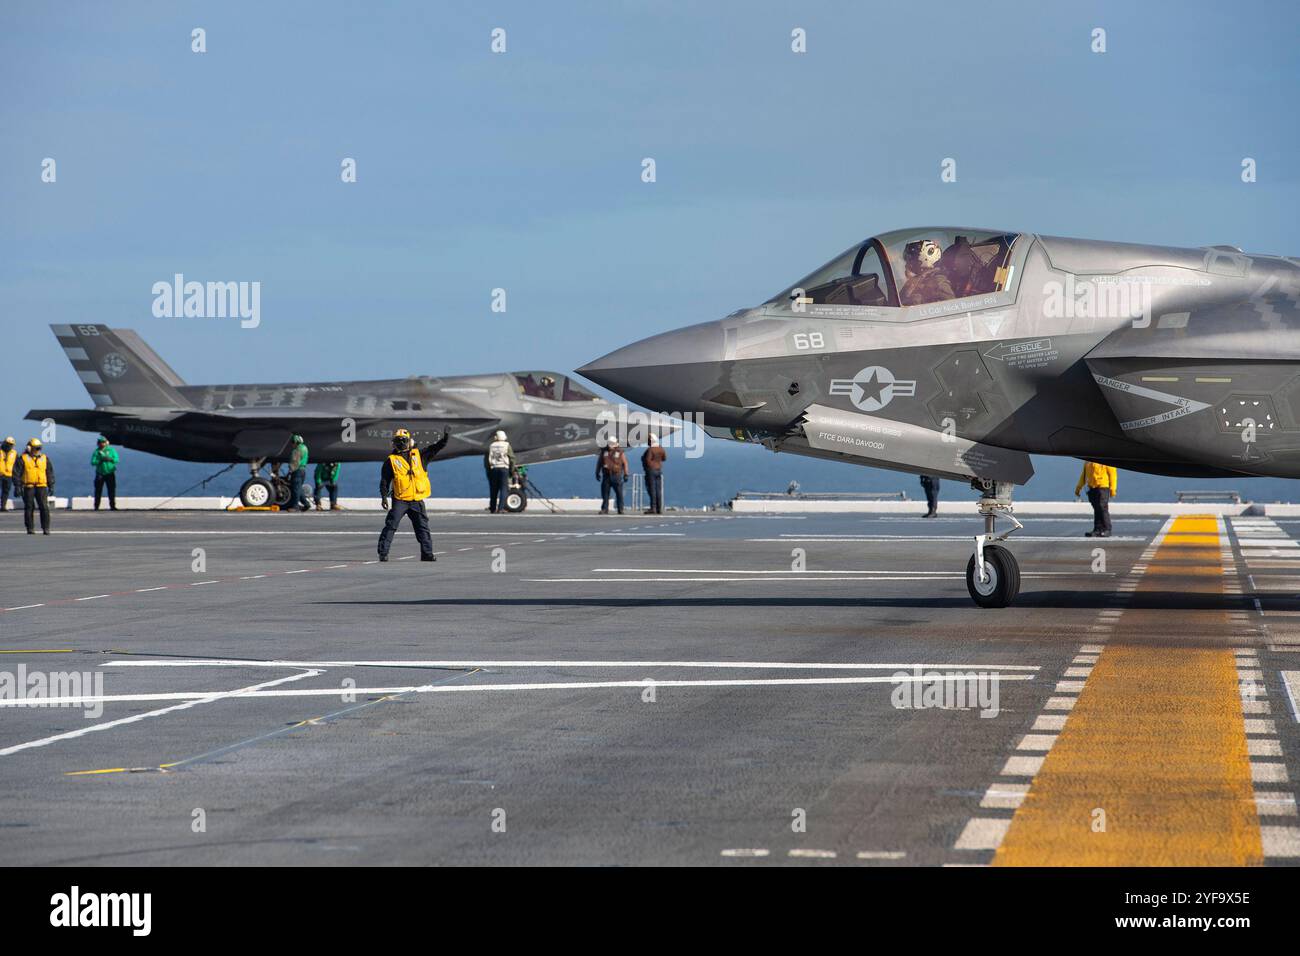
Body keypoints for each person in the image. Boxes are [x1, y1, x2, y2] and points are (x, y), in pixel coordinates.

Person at [378, 426, 449, 562]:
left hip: (416, 499)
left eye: (403, 440)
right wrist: (383, 497)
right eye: (398, 440)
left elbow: (436, 447)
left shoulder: (420, 455)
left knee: (423, 527)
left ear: (410, 441)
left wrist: (445, 439)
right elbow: (384, 481)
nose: (401, 443)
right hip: (400, 500)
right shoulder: (391, 461)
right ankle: (383, 553)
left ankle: (427, 554)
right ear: (393, 442)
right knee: (391, 525)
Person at [900, 239, 955, 306]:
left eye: (912, 258)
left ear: (926, 257)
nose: (908, 263)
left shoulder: (938, 282)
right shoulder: (915, 281)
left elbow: (950, 308)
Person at [16, 438, 54, 535]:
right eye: (36, 448)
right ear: (29, 448)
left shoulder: (44, 458)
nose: (38, 450)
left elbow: (49, 472)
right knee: (29, 507)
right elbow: (17, 473)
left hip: (42, 486)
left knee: (44, 507)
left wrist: (51, 485)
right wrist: (17, 486)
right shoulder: (23, 458)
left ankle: (46, 528)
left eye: (39, 448)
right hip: (28, 486)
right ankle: (30, 528)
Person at [1075, 460, 1118, 537]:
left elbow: (1112, 475)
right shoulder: (1087, 462)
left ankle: (1107, 529)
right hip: (1092, 488)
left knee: (1102, 507)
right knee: (1096, 508)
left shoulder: (1105, 460)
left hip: (1103, 487)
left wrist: (1113, 490)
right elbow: (1083, 476)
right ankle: (1097, 529)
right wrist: (1078, 488)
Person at [484, 431, 517, 514]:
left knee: (493, 489)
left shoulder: (491, 446)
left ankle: (492, 508)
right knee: (503, 488)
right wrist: (512, 470)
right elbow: (512, 458)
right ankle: (501, 508)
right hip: (504, 469)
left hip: (494, 468)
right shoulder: (507, 445)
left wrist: (488, 471)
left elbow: (487, 460)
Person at [596, 436, 629, 515]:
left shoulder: (620, 452)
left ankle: (620, 509)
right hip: (606, 475)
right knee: (605, 494)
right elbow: (599, 462)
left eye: (612, 444)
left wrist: (626, 474)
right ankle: (604, 509)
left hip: (616, 475)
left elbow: (625, 463)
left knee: (619, 493)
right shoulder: (604, 452)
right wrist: (597, 473)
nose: (611, 445)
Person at [90, 436, 119, 511]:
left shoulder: (111, 450)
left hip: (110, 473)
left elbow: (116, 459)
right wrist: (100, 460)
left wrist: (110, 459)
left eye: (103, 442)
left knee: (111, 490)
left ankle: (112, 506)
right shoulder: (96, 452)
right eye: (100, 442)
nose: (101, 444)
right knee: (98, 490)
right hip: (100, 473)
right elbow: (93, 462)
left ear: (106, 443)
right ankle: (96, 506)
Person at [641, 434, 666, 514]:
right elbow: (664, 458)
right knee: (658, 490)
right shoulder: (661, 449)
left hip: (651, 471)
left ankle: (653, 508)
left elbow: (647, 460)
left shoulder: (651, 450)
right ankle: (659, 508)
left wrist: (650, 465)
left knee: (652, 490)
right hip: (658, 470)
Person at [286, 434, 310, 512]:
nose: (292, 444)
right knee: (298, 488)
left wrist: (290, 471)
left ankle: (295, 506)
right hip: (303, 470)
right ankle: (306, 504)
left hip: (297, 470)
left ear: (296, 442)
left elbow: (295, 462)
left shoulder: (296, 450)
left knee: (295, 489)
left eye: (293, 442)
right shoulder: (305, 448)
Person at [0, 437, 15, 511]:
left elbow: (16, 465)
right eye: (8, 444)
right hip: (0, 474)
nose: (10, 446)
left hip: (9, 475)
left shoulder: (14, 453)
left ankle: (3, 506)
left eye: (11, 444)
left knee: (5, 491)